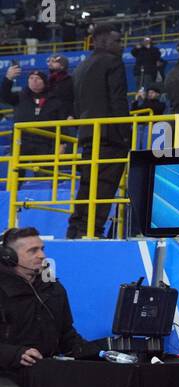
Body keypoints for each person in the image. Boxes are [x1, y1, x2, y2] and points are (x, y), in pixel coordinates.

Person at [0, 228, 105, 387]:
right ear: (9, 256)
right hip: (5, 373)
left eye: (42, 249)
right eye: (33, 250)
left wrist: (100, 353)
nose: (41, 255)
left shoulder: (53, 288)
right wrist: (14, 354)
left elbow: (67, 335)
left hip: (42, 372)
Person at [68, 24, 131, 239]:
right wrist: (126, 134)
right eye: (117, 41)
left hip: (87, 135)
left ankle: (74, 231)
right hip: (110, 137)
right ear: (103, 41)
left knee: (86, 187)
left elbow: (75, 105)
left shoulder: (81, 66)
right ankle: (91, 232)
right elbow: (118, 99)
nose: (121, 46)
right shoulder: (113, 62)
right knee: (103, 189)